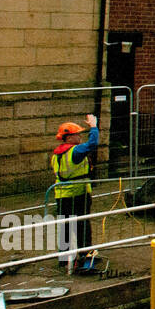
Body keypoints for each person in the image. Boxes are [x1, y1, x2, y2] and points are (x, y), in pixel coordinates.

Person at [51, 114, 99, 268]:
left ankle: (64, 258)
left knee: (65, 226)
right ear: (69, 137)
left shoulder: (57, 154)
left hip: (62, 195)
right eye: (77, 134)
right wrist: (93, 126)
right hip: (78, 194)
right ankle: (85, 254)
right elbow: (93, 144)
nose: (79, 137)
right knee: (82, 225)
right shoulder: (75, 152)